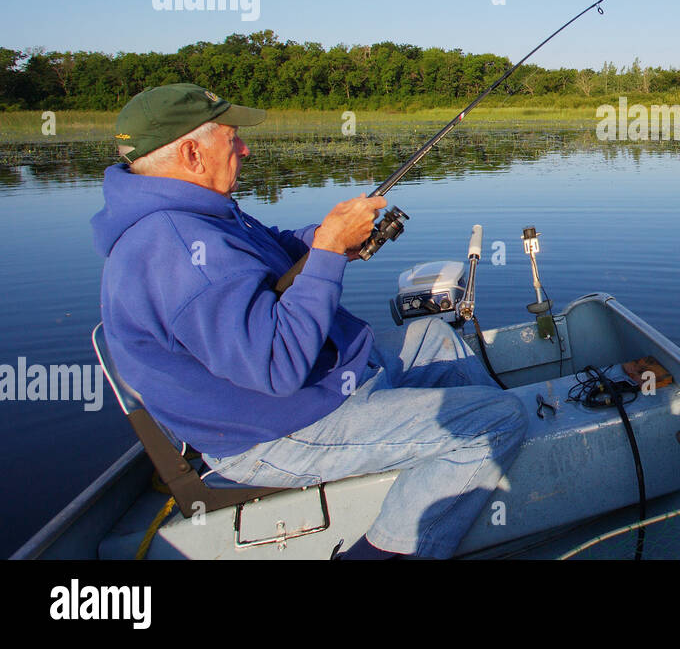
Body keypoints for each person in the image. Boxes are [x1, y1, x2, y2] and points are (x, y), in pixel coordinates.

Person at [90, 83, 527, 559]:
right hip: (276, 429)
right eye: (233, 138)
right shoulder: (177, 249)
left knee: (434, 335)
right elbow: (277, 366)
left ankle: (461, 473)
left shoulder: (190, 210)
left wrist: (327, 237)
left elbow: (272, 250)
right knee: (496, 421)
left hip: (316, 384)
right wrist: (329, 251)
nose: (244, 148)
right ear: (192, 153)